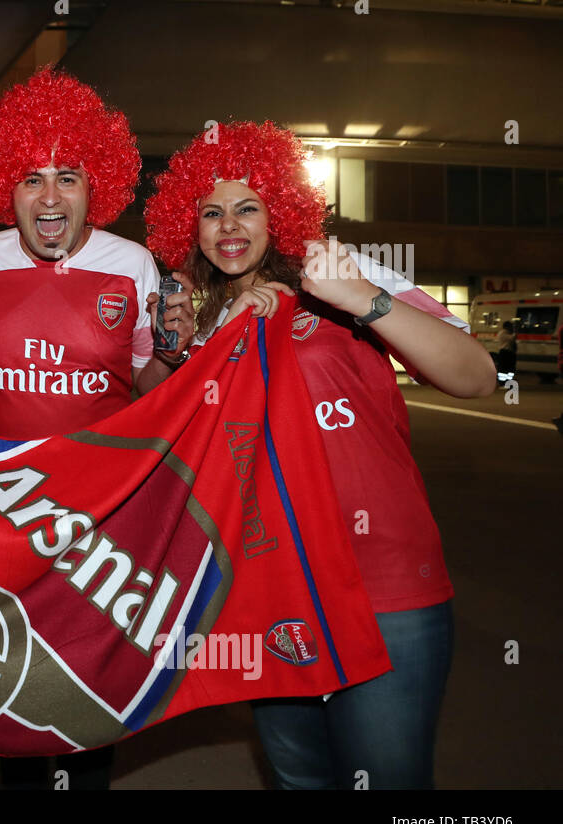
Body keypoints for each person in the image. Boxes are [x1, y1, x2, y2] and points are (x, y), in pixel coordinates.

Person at [143, 120, 496, 789]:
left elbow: (476, 377)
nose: (228, 226)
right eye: (210, 212)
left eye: (247, 206)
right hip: (272, 590)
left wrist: (360, 298)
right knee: (299, 782)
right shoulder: (205, 317)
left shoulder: (342, 272)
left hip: (385, 586)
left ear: (282, 210)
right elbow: (172, 434)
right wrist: (174, 354)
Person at [0, 68, 196, 789]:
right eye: (30, 178)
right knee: (13, 681)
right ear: (5, 190)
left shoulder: (134, 264)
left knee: (91, 686)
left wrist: (181, 359)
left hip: (103, 520)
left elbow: (150, 384)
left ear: (97, 186)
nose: (49, 197)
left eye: (68, 177)